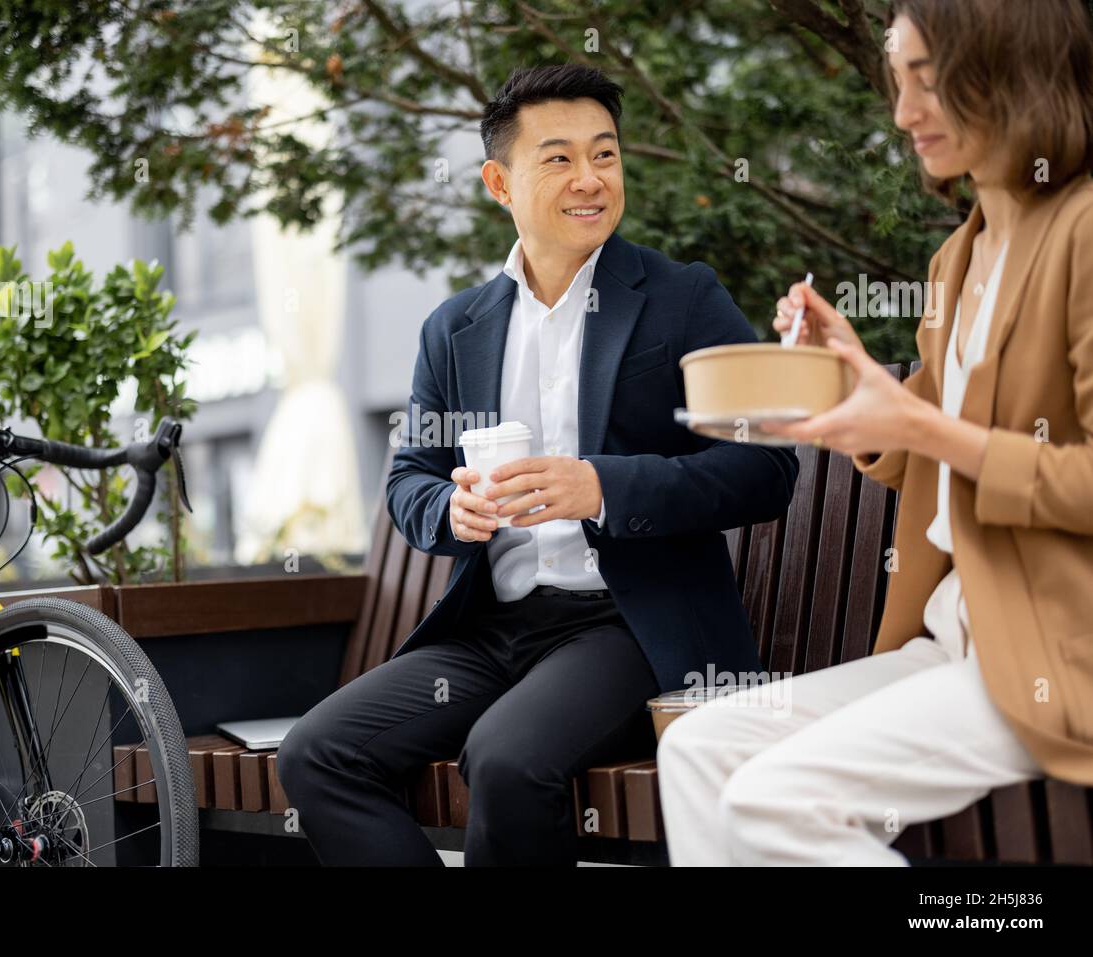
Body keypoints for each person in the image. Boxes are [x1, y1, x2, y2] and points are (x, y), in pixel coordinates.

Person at [277, 63, 798, 866]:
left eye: (606, 155)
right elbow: (409, 477)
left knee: (507, 759)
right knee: (314, 752)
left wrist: (603, 486)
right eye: (558, 158)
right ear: (498, 181)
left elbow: (766, 470)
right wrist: (449, 510)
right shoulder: (454, 329)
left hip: (625, 625)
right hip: (491, 632)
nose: (590, 179)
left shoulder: (679, 298)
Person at [659, 0, 1093, 865]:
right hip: (954, 639)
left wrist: (926, 423)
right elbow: (923, 443)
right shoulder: (960, 256)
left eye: (929, 80)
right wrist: (853, 376)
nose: (904, 112)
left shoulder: (1082, 231)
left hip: (1054, 649)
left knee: (779, 800)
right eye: (899, 80)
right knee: (697, 747)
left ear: (1017, 71)